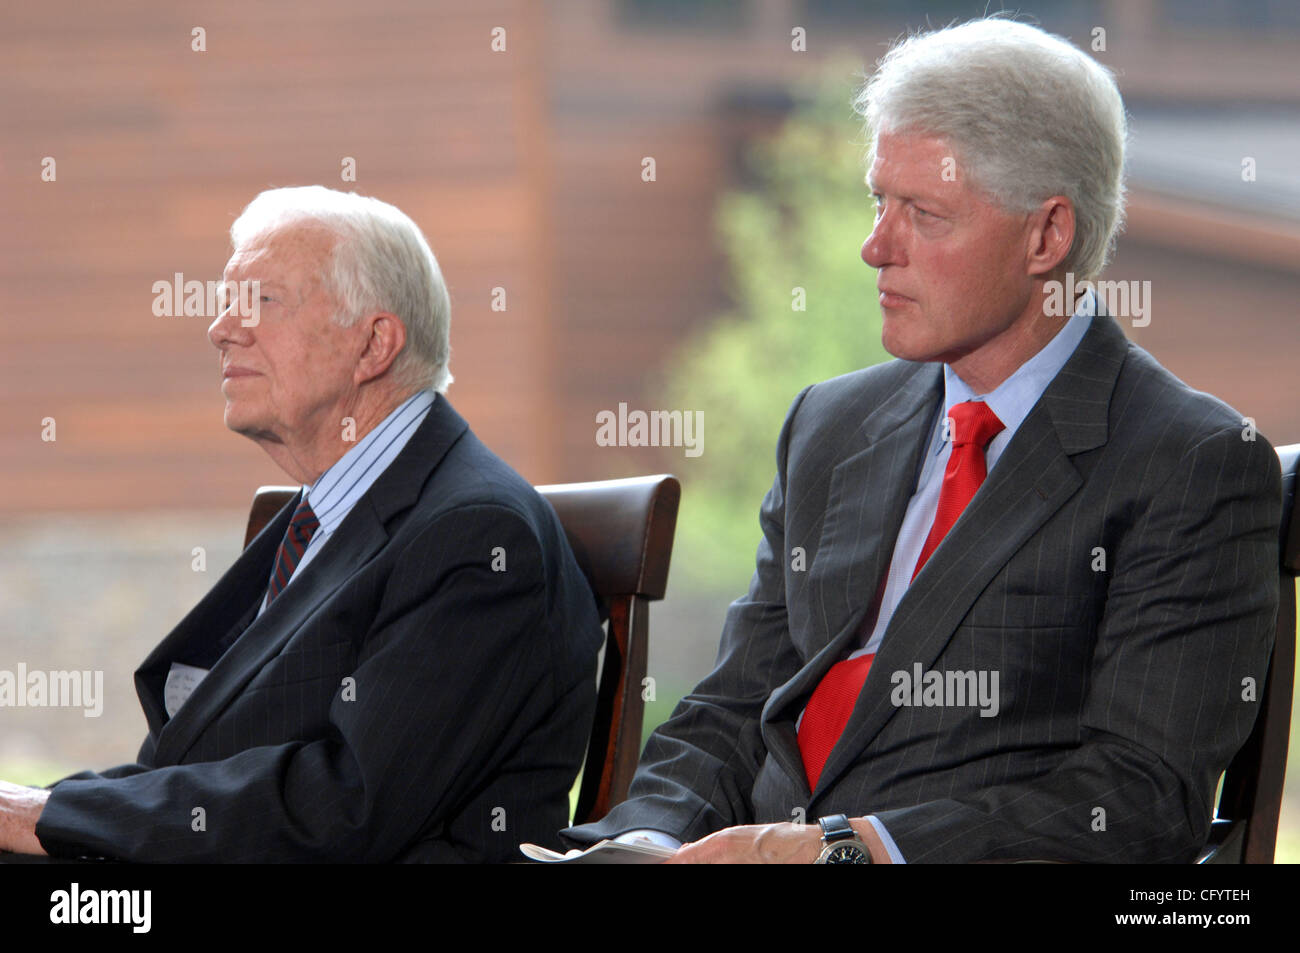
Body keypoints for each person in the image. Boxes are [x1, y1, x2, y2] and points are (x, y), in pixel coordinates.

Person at [563, 18, 1281, 863]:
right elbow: (729, 710)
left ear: (1047, 236)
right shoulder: (828, 426)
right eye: (879, 201)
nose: (875, 247)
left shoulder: (1192, 462)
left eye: (924, 215)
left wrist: (851, 849)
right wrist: (644, 841)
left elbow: (1138, 796)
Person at [0, 186, 604, 863]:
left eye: (261, 300)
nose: (221, 327)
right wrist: (39, 810)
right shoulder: (323, 513)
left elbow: (343, 806)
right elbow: (201, 763)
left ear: (374, 343)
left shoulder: (480, 536)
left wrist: (53, 815)